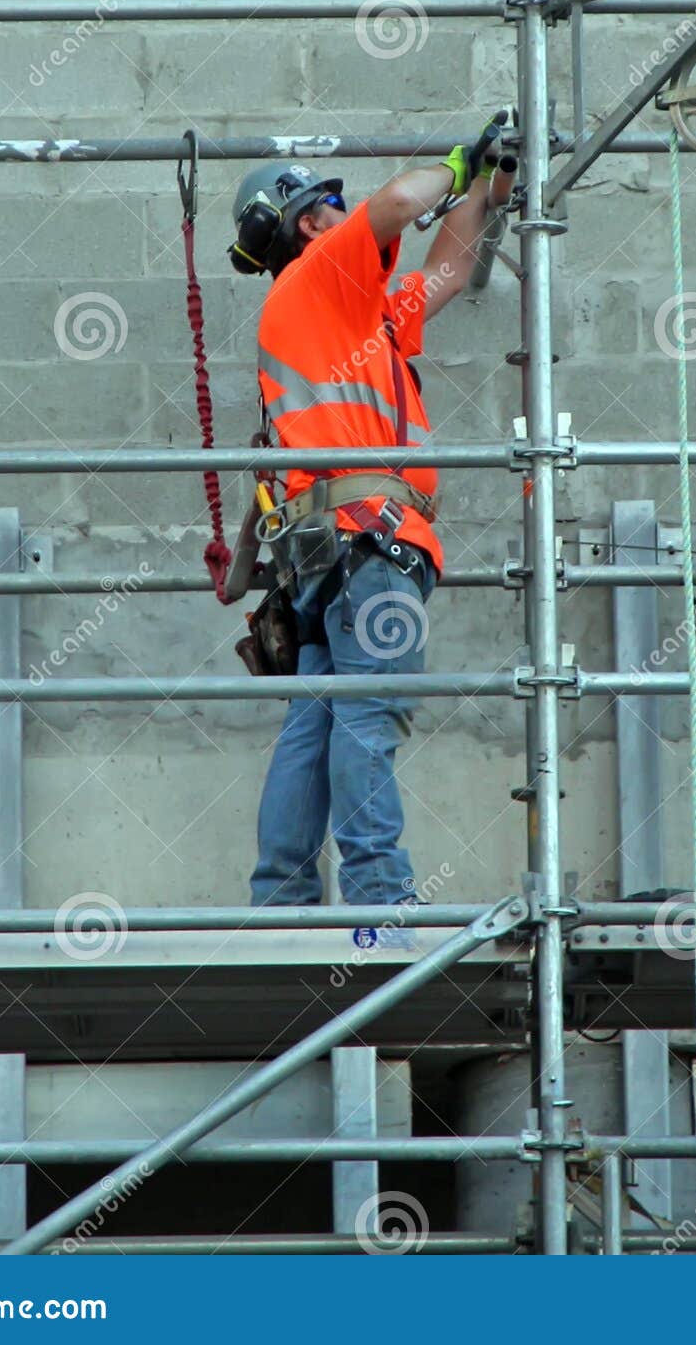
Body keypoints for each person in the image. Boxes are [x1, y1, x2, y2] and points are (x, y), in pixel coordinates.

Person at [233, 127, 499, 907]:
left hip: (333, 550)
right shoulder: (319, 276)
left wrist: (490, 184)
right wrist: (456, 163)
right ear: (309, 225)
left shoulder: (352, 317)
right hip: (372, 542)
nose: (345, 214)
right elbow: (400, 202)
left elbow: (446, 269)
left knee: (314, 727)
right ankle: (381, 901)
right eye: (330, 205)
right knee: (367, 717)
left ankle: (280, 899)